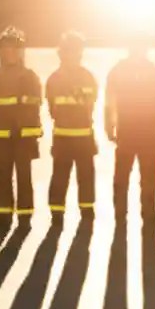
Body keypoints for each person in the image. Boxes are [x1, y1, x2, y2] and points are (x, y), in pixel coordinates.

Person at [0, 26, 41, 227]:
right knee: (3, 176)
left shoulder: (30, 76)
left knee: (24, 177)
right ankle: (4, 215)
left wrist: (31, 131)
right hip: (1, 136)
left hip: (24, 136)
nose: (10, 53)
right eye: (6, 49)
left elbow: (36, 103)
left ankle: (25, 216)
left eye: (14, 49)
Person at [106, 32, 155, 225]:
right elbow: (109, 99)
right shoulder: (118, 70)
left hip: (148, 132)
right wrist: (109, 124)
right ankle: (120, 214)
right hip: (126, 132)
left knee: (149, 177)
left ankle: (149, 213)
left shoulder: (154, 70)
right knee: (121, 177)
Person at [46, 31, 97, 224]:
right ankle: (57, 213)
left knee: (86, 176)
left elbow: (90, 103)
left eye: (77, 51)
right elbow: (53, 109)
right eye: (70, 51)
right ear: (62, 53)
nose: (75, 55)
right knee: (60, 177)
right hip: (63, 138)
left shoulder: (87, 77)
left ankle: (87, 211)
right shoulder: (54, 79)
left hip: (83, 136)